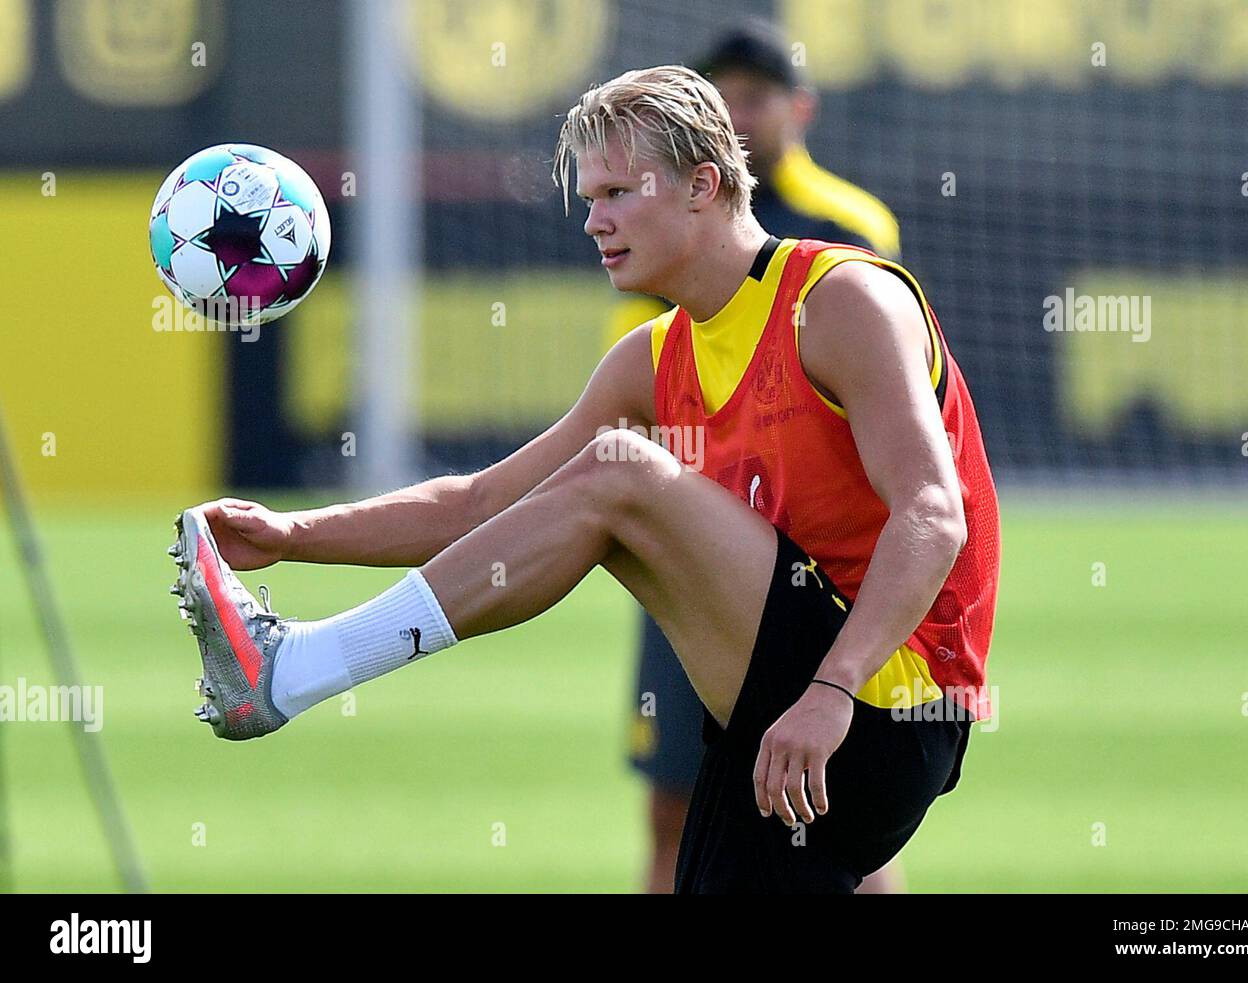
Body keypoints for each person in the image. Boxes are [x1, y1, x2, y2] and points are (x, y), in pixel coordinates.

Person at [172, 64, 1000, 894]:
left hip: (884, 703)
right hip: (774, 715)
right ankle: (284, 668)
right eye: (587, 199)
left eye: (613, 194)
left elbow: (933, 514)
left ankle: (295, 668)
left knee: (619, 474)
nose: (593, 222)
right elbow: (483, 501)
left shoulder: (841, 299)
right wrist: (291, 536)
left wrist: (831, 687)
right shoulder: (652, 358)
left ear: (701, 185)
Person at [612, 20, 906, 893]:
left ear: (799, 108)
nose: (738, 115)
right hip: (699, 543)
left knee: (851, 812)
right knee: (677, 801)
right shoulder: (662, 223)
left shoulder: (848, 227)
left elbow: (878, 407)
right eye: (720, 98)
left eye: (755, 96)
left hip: (821, 555)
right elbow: (644, 393)